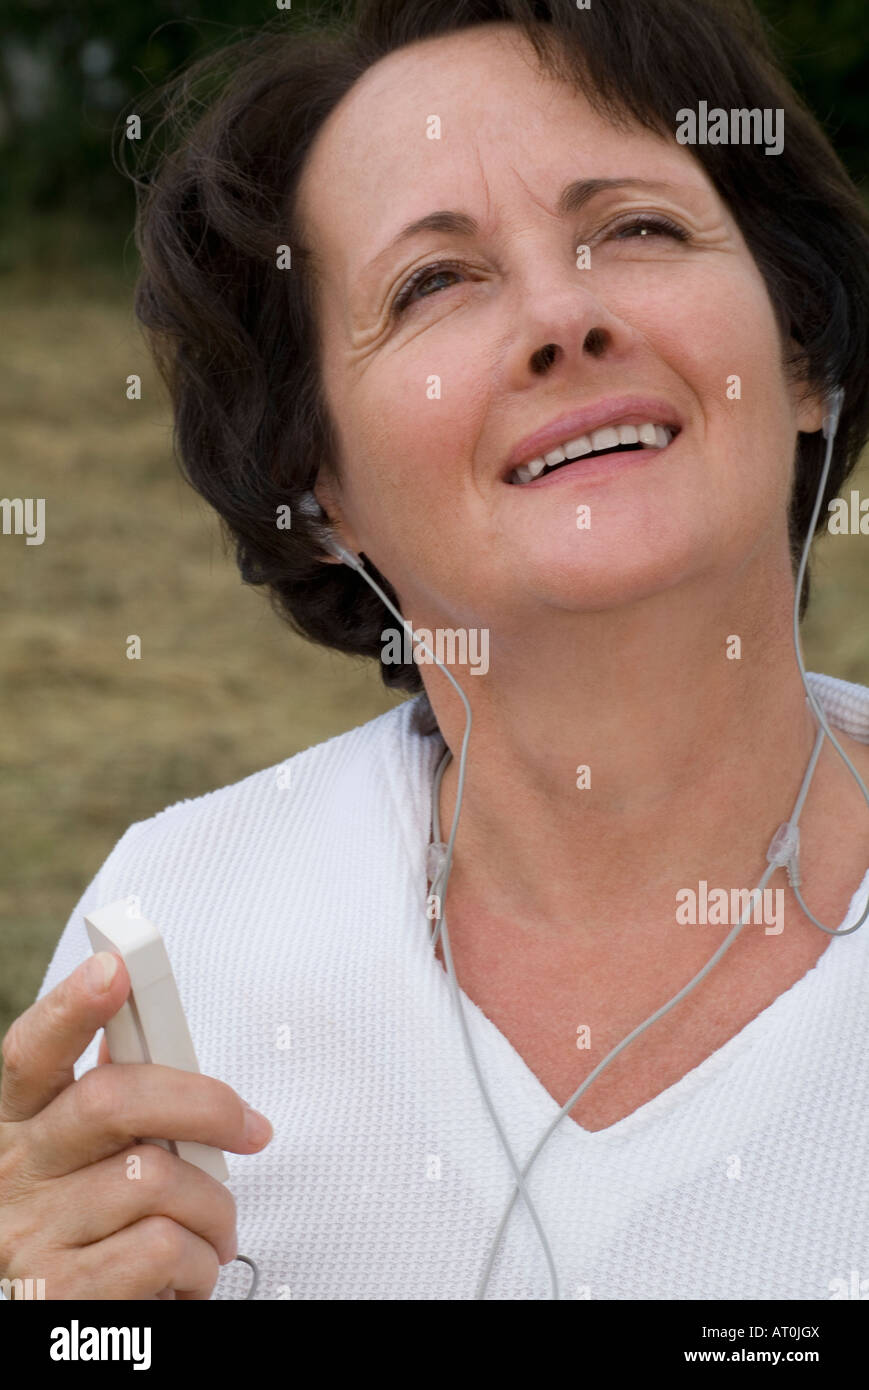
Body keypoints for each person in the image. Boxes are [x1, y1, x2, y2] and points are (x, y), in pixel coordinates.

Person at [2, 0, 869, 1301]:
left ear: (800, 355)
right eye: (434, 281)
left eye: (635, 227)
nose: (563, 316)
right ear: (319, 483)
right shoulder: (177, 928)